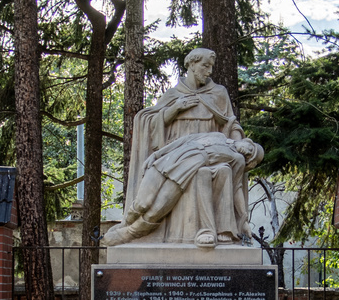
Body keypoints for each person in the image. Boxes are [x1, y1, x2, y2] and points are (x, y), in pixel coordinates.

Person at [121, 48, 257, 245]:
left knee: (220, 171)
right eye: (205, 66)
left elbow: (231, 125)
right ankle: (144, 222)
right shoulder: (174, 95)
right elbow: (148, 122)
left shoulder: (219, 94)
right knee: (189, 177)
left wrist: (240, 143)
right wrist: (174, 110)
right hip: (177, 156)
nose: (209, 71)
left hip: (210, 156)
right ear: (192, 65)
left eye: (211, 67)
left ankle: (219, 231)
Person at [105, 132, 264, 247]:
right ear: (246, 141)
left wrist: (244, 220)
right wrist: (156, 155)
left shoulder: (237, 159)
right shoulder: (218, 136)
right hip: (167, 161)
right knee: (141, 204)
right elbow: (184, 140)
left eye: (251, 156)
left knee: (156, 211)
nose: (248, 152)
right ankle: (124, 224)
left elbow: (236, 188)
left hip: (184, 173)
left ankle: (129, 233)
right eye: (251, 148)